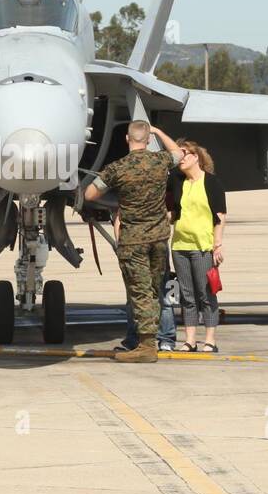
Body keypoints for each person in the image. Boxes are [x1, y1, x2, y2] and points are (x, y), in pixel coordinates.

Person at [83, 121, 182, 363]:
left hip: (133, 241)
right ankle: (159, 338)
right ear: (148, 140)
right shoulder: (160, 161)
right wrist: (159, 131)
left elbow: (90, 195)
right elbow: (178, 153)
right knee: (153, 290)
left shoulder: (118, 168)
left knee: (139, 293)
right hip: (159, 237)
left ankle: (146, 347)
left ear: (127, 140)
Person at [166, 140, 226, 353]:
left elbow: (220, 217)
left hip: (203, 247)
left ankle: (210, 339)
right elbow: (172, 212)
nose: (180, 159)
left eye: (184, 154)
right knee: (187, 295)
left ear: (195, 157)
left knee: (206, 293)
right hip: (180, 245)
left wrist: (217, 245)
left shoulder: (211, 182)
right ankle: (190, 340)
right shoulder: (177, 181)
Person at [113, 210, 177, 353]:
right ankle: (135, 339)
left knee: (159, 297)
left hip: (146, 248)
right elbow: (119, 216)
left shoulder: (156, 193)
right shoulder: (142, 193)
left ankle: (164, 338)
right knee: (137, 298)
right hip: (138, 248)